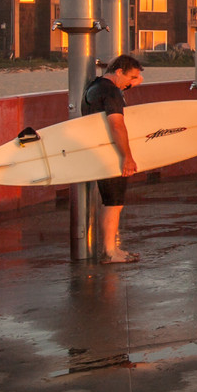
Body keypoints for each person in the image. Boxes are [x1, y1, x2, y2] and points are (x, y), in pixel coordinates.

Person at [82, 54, 145, 263]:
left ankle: (112, 249)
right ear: (119, 72)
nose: (131, 83)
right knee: (113, 203)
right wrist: (127, 157)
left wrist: (132, 81)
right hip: (111, 153)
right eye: (131, 77)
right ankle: (110, 251)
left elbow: (121, 85)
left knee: (112, 201)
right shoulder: (111, 93)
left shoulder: (96, 87)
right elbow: (117, 124)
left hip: (98, 150)